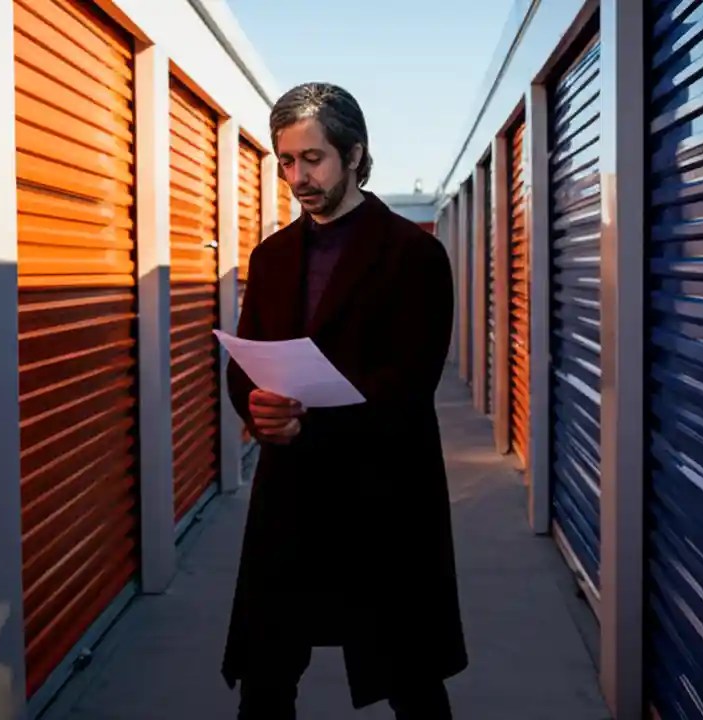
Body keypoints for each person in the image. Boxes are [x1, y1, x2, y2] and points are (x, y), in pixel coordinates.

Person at [221, 82, 467, 719]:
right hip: (290, 498)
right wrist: (257, 408)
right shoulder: (272, 257)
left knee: (412, 683)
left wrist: (307, 422)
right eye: (285, 160)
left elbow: (411, 383)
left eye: (312, 158)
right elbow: (245, 364)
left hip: (383, 499)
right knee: (266, 681)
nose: (296, 176)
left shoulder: (415, 255)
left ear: (355, 155)